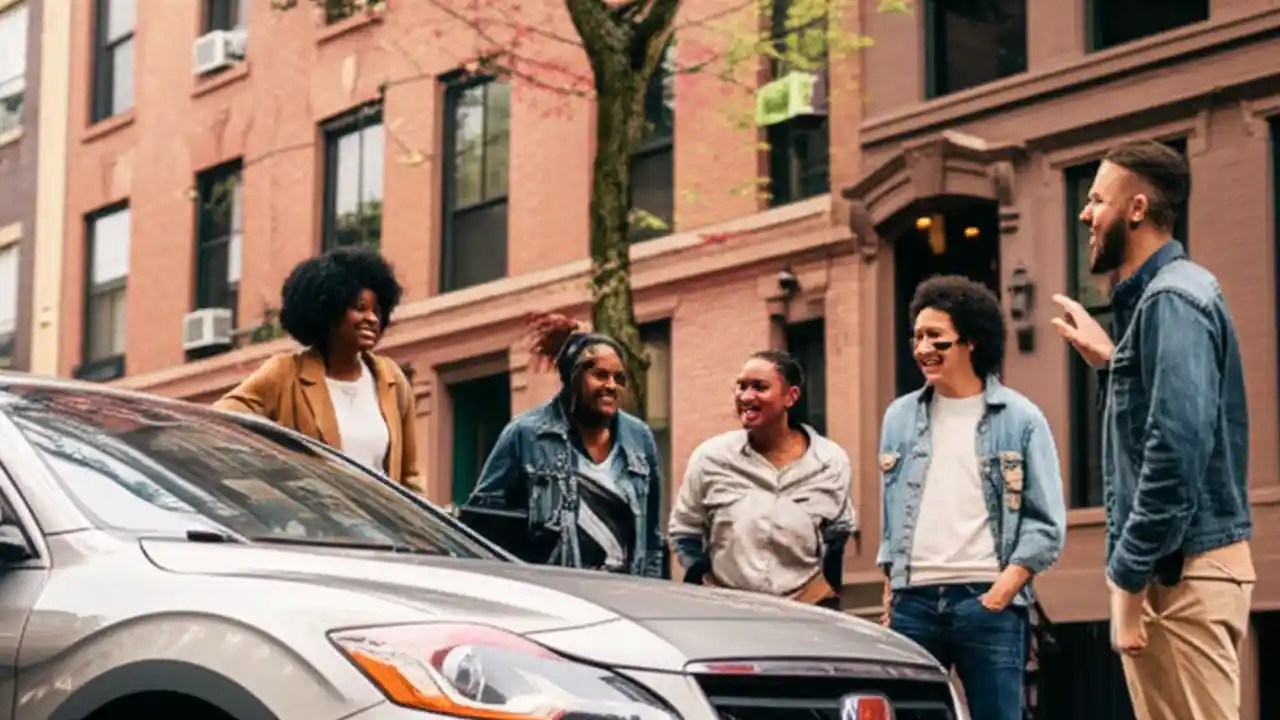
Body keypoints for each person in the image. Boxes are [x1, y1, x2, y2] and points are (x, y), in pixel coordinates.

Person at [1053, 140, 1253, 720]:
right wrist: (1115, 363)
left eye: (1095, 199)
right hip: (1180, 568)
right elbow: (1166, 427)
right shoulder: (1163, 303)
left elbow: (1175, 453)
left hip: (1182, 574)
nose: (1084, 214)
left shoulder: (1173, 300)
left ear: (1136, 209)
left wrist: (1127, 579)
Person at [877, 275, 1066, 720]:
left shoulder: (1020, 418)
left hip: (986, 601)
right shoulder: (900, 417)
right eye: (918, 337)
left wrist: (1002, 592)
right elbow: (891, 511)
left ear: (972, 342)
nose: (923, 348)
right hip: (913, 604)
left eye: (937, 339)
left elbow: (1046, 521)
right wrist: (892, 591)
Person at [462, 314, 664, 578]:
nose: (611, 386)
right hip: (555, 596)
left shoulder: (639, 438)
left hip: (624, 597)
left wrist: (649, 593)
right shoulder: (526, 434)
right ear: (573, 377)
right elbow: (481, 523)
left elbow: (651, 538)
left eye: (619, 378)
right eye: (600, 375)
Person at [214, 247, 421, 492]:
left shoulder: (391, 380)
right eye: (360, 307)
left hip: (380, 527)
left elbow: (409, 479)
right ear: (329, 311)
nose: (372, 318)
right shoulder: (284, 373)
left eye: (377, 310)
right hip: (311, 525)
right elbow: (220, 422)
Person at [668, 350, 854, 609]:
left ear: (791, 397)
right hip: (728, 608)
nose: (746, 396)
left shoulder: (831, 461)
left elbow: (838, 531)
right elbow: (684, 530)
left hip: (806, 606)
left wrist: (831, 592)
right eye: (741, 386)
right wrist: (699, 577)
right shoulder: (711, 457)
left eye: (760, 387)